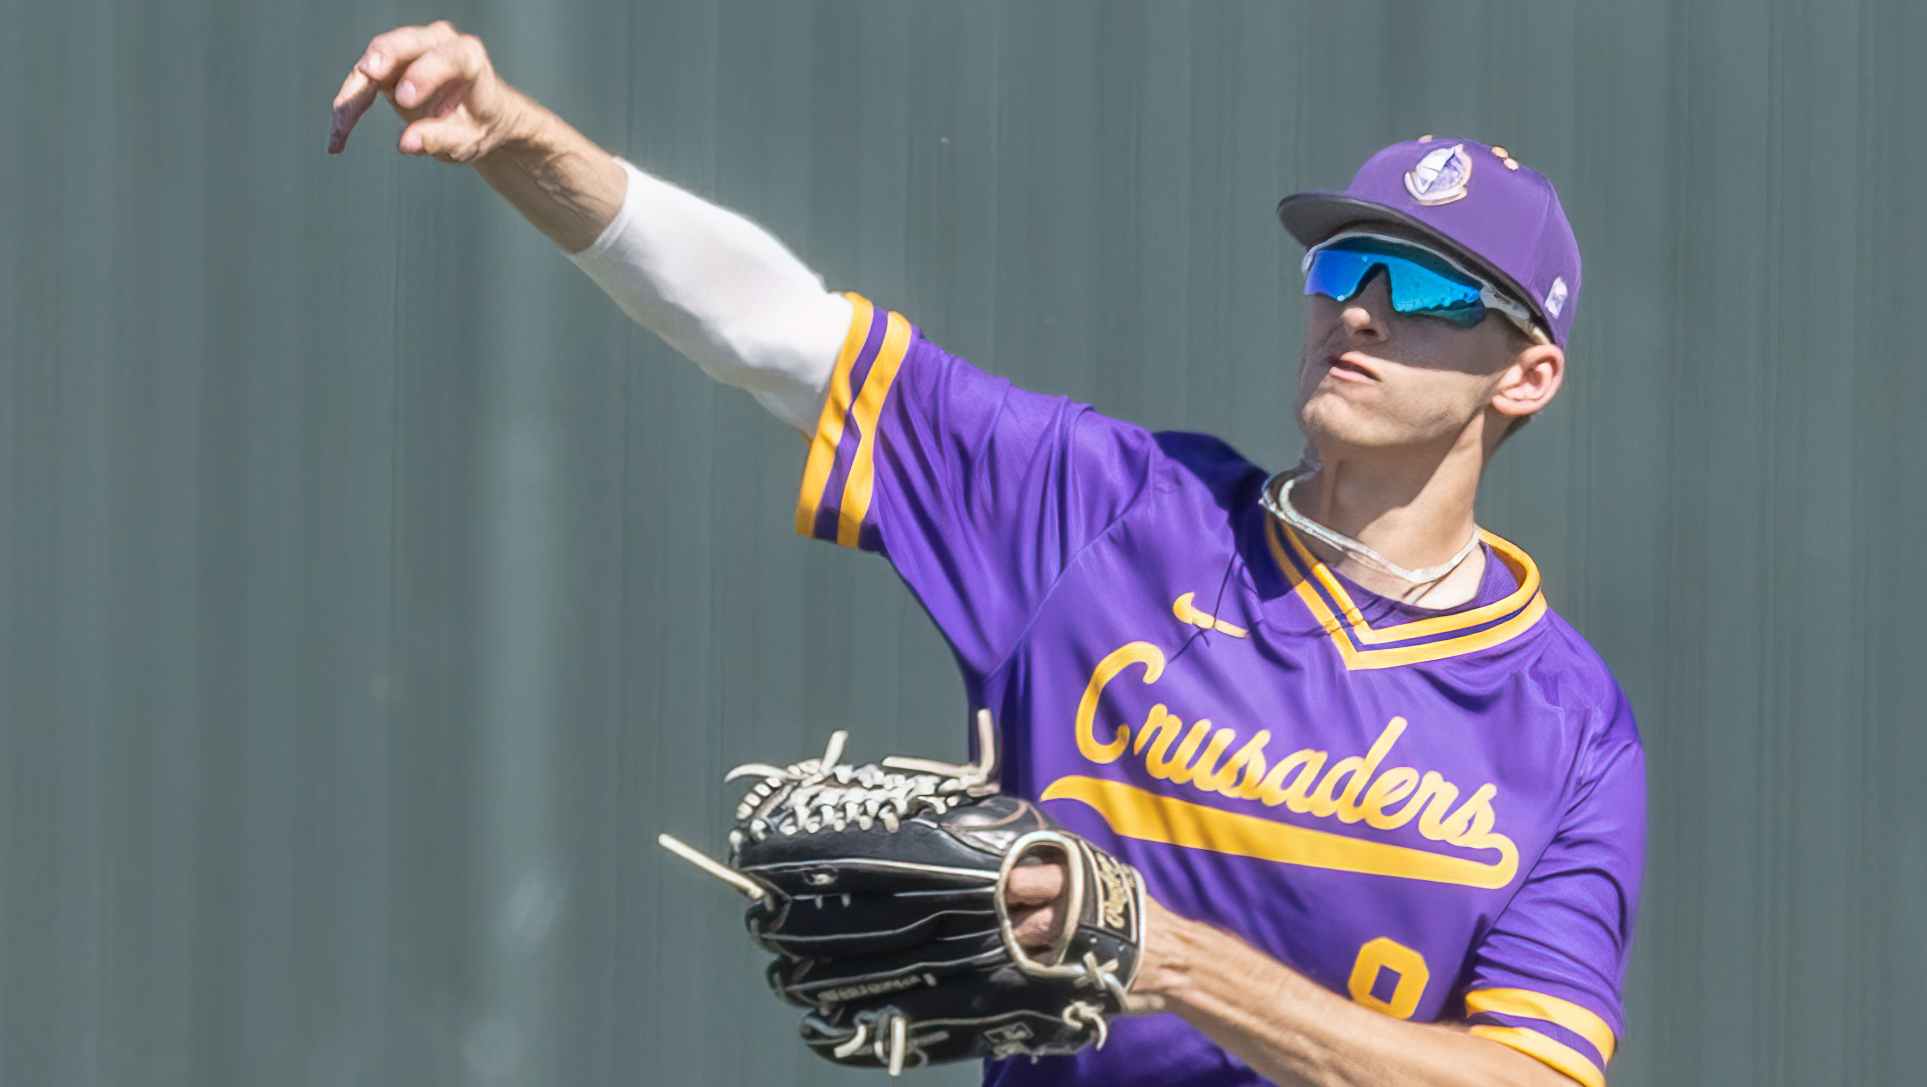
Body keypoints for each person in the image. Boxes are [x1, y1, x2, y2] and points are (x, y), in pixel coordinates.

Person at [330, 21, 1643, 1087]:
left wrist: (1178, 964)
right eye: (1346, 266)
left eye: (1430, 291)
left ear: (1525, 375)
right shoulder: (1114, 515)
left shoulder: (1567, 720)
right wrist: (516, 137)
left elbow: (1531, 1077)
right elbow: (782, 337)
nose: (1361, 309)